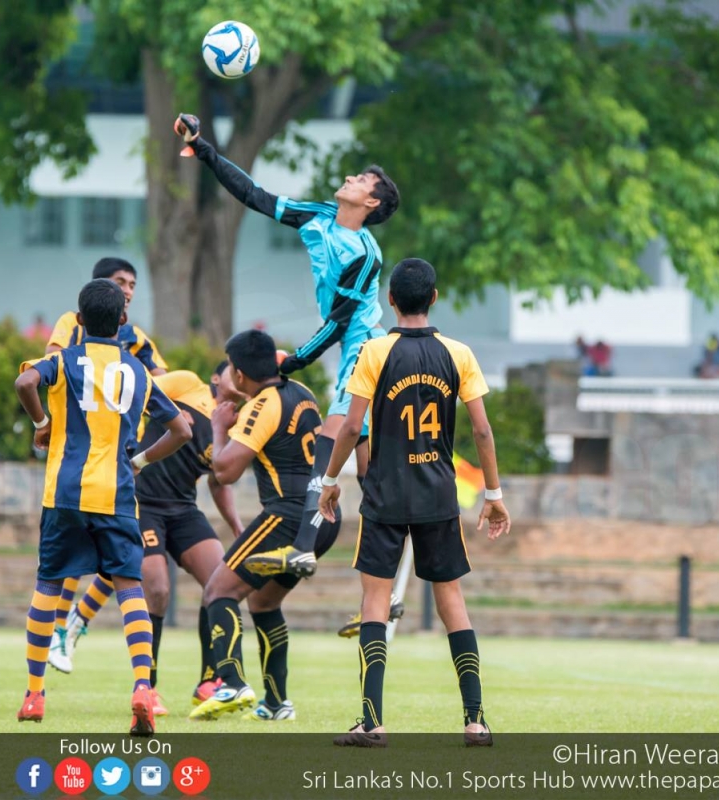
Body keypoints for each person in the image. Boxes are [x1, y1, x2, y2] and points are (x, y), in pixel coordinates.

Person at [174, 112, 401, 580]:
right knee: (369, 470)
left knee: (329, 441)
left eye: (361, 179)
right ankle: (384, 586)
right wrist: (205, 150)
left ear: (372, 200)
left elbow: (341, 321)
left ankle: (301, 548)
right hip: (351, 351)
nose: (350, 177)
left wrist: (294, 361)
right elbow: (255, 196)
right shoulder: (318, 215)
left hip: (365, 348)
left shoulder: (366, 254)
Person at [317, 259, 511, 747]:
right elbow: (482, 431)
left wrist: (329, 479)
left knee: (374, 602)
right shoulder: (458, 353)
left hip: (384, 495)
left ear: (391, 302)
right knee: (452, 603)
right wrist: (493, 494)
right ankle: (476, 721)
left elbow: (349, 426)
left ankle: (372, 722)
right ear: (435, 298)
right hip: (438, 495)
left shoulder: (374, 352)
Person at [14, 279, 192, 735]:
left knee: (49, 584)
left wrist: (42, 423)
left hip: (65, 494)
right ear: (123, 321)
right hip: (117, 496)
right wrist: (139, 459)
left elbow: (25, 381)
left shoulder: (63, 361)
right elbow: (182, 430)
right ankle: (141, 687)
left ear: (78, 319)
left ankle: (34, 694)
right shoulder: (138, 370)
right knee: (129, 588)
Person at [53, 362, 251, 713]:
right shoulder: (189, 383)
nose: (240, 374)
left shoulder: (235, 424)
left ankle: (209, 681)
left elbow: (218, 480)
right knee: (157, 588)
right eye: (232, 368)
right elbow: (139, 393)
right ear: (216, 377)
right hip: (141, 501)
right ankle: (148, 687)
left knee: (220, 580)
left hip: (183, 508)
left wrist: (236, 525)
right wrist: (171, 416)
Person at [188, 330, 336, 722]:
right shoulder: (299, 389)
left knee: (218, 590)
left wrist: (220, 427)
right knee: (263, 601)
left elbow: (225, 471)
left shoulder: (263, 405)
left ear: (237, 373)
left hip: (287, 515)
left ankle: (232, 683)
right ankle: (276, 702)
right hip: (321, 515)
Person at [47, 257, 169, 673]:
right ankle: (64, 628)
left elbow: (161, 380)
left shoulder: (134, 336)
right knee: (87, 558)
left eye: (133, 283)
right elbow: (53, 361)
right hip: (77, 454)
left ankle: (76, 623)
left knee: (120, 557)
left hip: (123, 461)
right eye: (121, 282)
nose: (129, 290)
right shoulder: (71, 324)